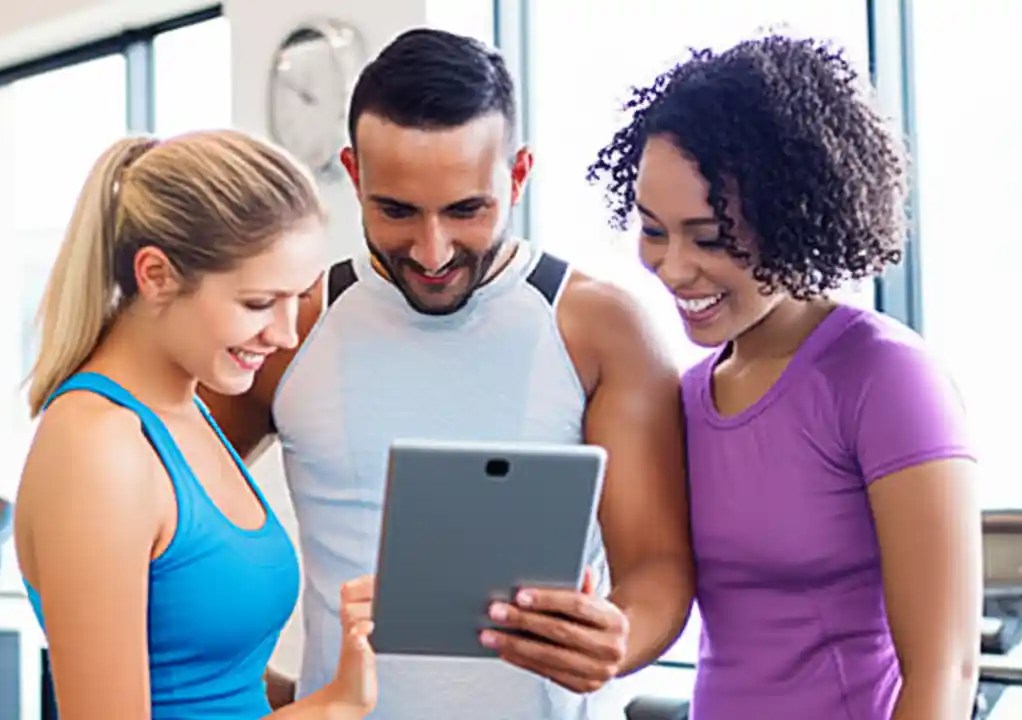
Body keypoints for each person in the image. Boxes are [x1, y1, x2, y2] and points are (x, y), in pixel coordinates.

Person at [201, 28, 694, 720]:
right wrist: (257, 689)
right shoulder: (290, 327)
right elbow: (167, 513)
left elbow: (657, 567)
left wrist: (620, 636)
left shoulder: (601, 330)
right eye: (397, 211)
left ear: (517, 176)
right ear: (355, 174)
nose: (432, 251)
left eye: (467, 209)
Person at [586, 35, 983, 719]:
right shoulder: (685, 396)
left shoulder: (886, 379)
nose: (674, 269)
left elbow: (945, 673)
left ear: (792, 219)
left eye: (710, 238)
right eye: (654, 230)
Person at [13, 130, 379, 720]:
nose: (286, 334)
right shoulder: (100, 446)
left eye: (298, 299)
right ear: (156, 275)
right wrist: (331, 707)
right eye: (260, 304)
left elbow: (218, 685)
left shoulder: (190, 412)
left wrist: (343, 683)